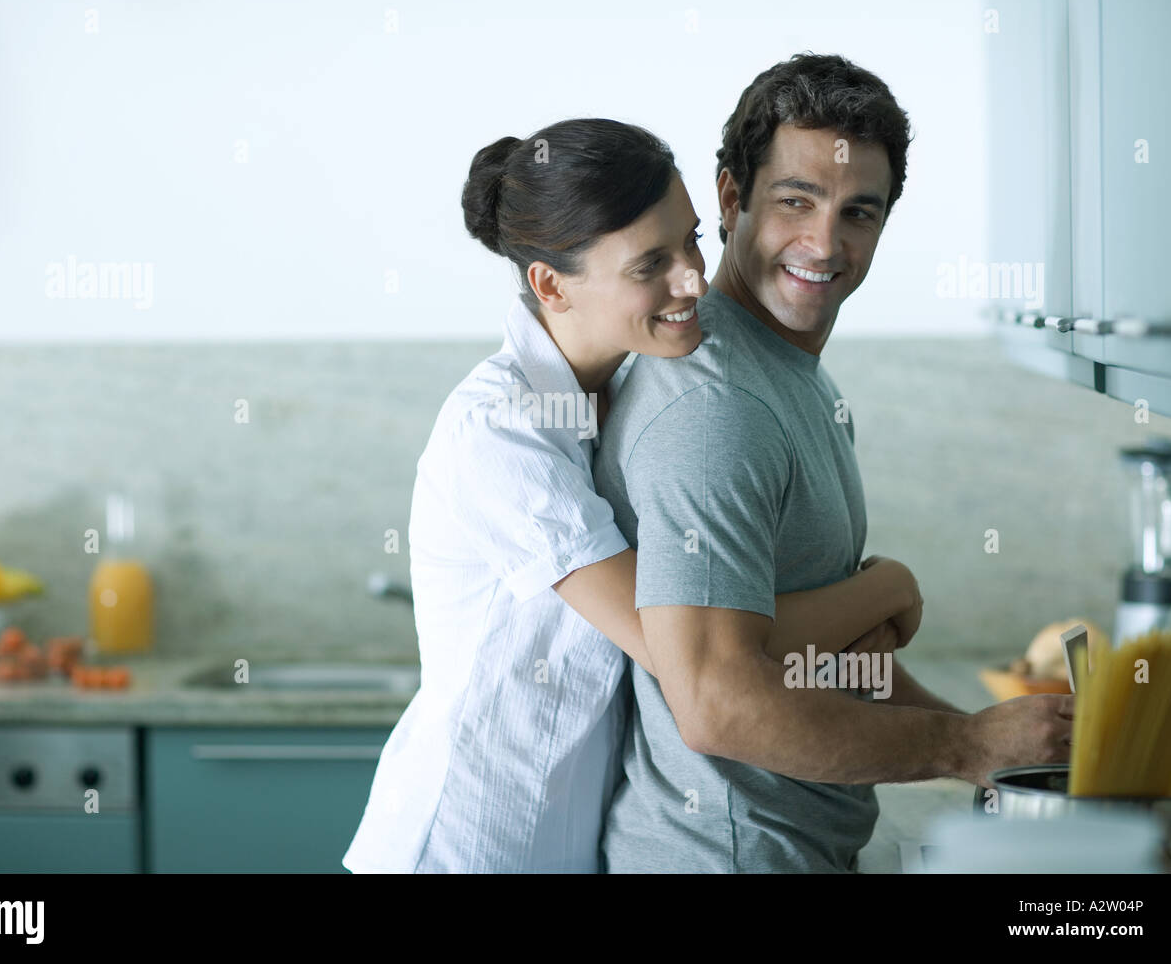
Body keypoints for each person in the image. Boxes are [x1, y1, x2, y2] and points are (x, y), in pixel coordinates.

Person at [343, 117, 923, 873]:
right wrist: (885, 588)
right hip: (467, 847)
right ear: (551, 284)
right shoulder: (500, 432)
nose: (692, 280)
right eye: (652, 262)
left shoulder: (621, 390)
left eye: (692, 242)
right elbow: (682, 650)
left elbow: (722, 628)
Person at [592, 53, 1075, 873]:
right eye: (796, 202)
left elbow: (824, 665)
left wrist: (999, 743)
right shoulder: (713, 407)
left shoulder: (786, 377)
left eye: (859, 212)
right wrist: (959, 743)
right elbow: (718, 703)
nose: (825, 243)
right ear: (732, 197)